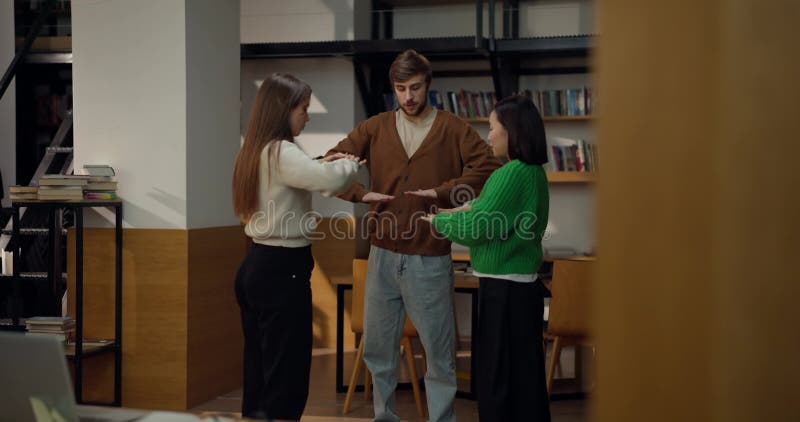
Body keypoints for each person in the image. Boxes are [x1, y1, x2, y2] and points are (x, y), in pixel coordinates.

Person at [327, 50, 501, 422]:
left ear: (428, 85)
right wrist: (359, 194)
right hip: (382, 256)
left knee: (438, 353)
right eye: (401, 88)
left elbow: (488, 165)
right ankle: (384, 417)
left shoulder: (452, 127)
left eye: (416, 88)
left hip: (430, 255)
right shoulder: (375, 127)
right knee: (378, 349)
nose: (408, 97)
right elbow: (331, 161)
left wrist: (443, 191)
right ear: (394, 88)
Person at [232, 73, 363, 421]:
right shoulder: (282, 151)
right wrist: (349, 164)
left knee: (260, 372)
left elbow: (307, 173)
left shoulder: (256, 149)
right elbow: (329, 181)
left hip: (256, 266)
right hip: (281, 271)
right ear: (283, 109)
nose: (307, 115)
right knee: (286, 376)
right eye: (303, 108)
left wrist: (324, 162)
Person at [423, 94, 552, 421]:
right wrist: (465, 210)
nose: (489, 135)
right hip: (522, 291)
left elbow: (478, 226)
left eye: (493, 127)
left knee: (496, 382)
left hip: (503, 292)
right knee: (525, 382)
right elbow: (486, 212)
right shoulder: (533, 173)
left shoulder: (510, 174)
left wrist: (438, 219)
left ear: (512, 131)